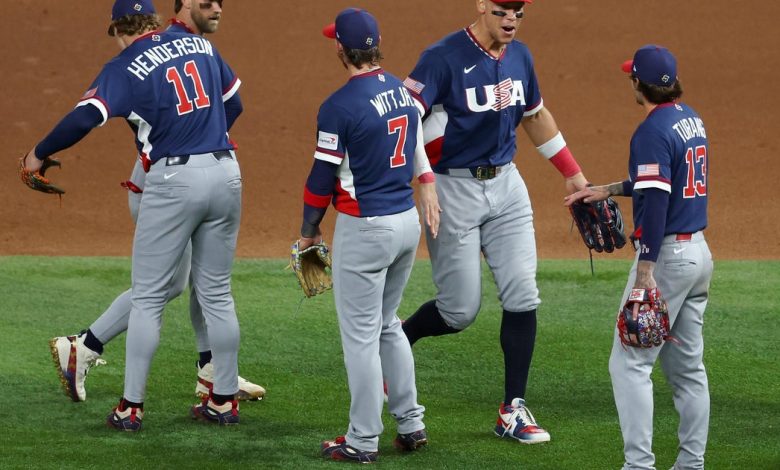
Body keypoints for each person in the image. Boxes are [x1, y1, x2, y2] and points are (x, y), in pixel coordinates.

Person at [25, 0, 244, 431]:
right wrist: (203, 134)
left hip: (173, 179)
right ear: (155, 20)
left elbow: (86, 116)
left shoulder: (125, 64)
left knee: (148, 297)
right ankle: (223, 400)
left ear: (117, 30)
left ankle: (131, 408)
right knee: (216, 293)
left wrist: (38, 153)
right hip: (227, 171)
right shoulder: (199, 46)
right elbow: (233, 105)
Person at [400, 0, 589, 444]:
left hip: (507, 185)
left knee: (523, 291)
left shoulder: (520, 56)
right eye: (503, 10)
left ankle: (513, 410)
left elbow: (535, 115)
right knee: (459, 311)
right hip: (452, 191)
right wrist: (423, 180)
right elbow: (404, 120)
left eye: (519, 12)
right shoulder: (441, 58)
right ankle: (400, 338)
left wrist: (574, 175)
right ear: (482, 4)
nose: (511, 20)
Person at [299, 8, 440, 464]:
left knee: (360, 337)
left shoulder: (339, 105)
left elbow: (321, 178)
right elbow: (418, 145)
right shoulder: (402, 91)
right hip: (404, 224)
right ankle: (412, 423)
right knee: (387, 325)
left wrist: (307, 231)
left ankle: (362, 439)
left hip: (366, 229)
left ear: (341, 48)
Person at [565, 45, 712, 469]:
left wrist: (646, 267)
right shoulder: (690, 119)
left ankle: (638, 465)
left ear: (638, 83)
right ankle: (691, 464)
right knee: (688, 371)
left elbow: (658, 198)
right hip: (698, 254)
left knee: (628, 364)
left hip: (665, 259)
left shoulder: (650, 130)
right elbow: (659, 180)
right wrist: (609, 189)